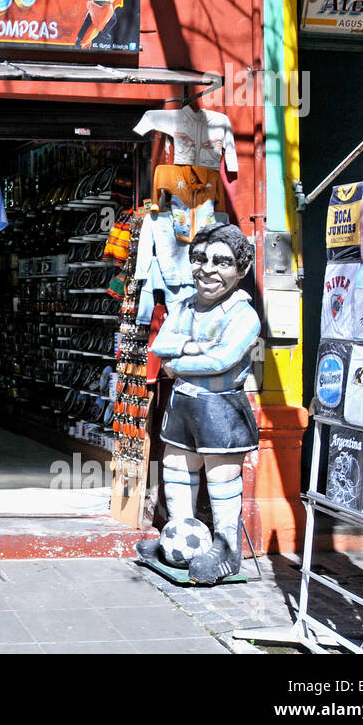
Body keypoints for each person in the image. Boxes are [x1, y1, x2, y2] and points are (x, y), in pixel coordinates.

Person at [137, 222, 261, 584]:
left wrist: (179, 363)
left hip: (220, 409)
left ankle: (226, 549)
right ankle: (179, 538)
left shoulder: (243, 315)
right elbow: (160, 345)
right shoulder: (183, 305)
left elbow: (222, 360)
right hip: (183, 406)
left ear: (242, 269)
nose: (207, 269)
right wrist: (196, 348)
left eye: (221, 262)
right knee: (176, 469)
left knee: (221, 478)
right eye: (199, 259)